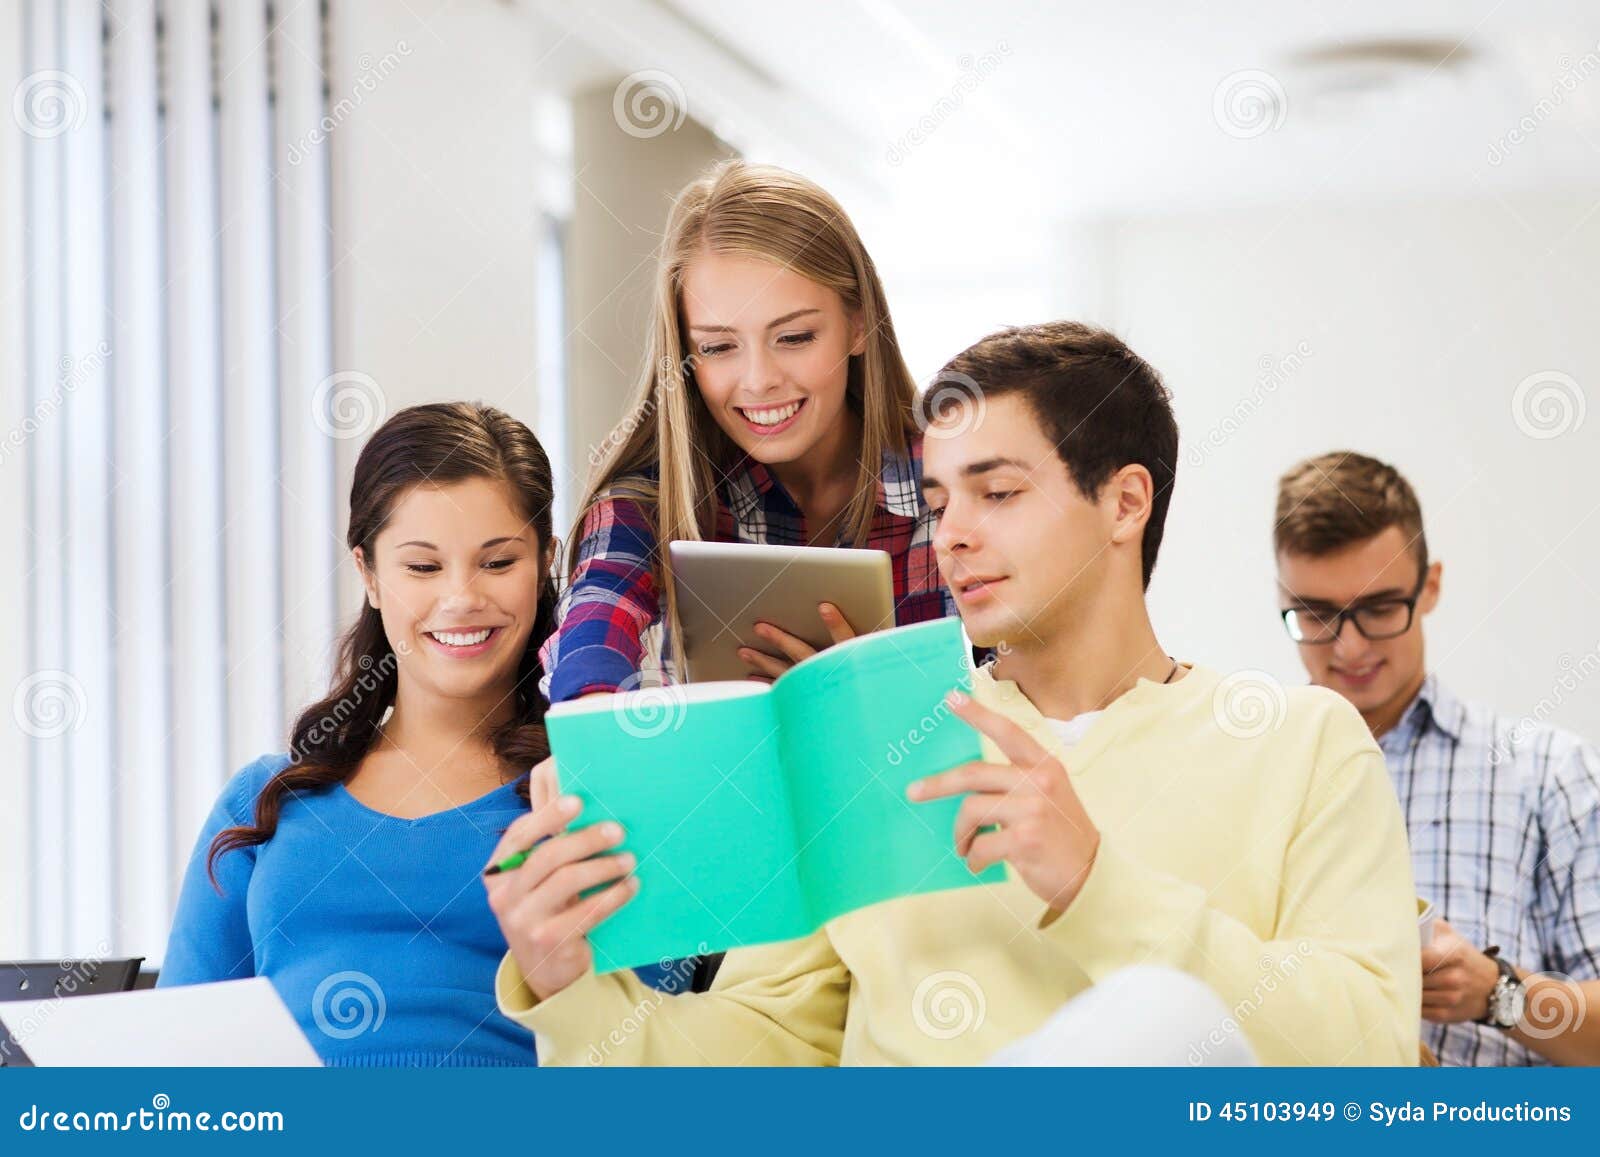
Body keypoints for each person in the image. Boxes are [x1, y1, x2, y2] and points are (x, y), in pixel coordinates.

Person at [483, 323, 1421, 1066]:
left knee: (1162, 1020)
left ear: (1126, 502)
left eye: (998, 493)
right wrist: (572, 988)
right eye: (936, 502)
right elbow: (766, 1053)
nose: (952, 536)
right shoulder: (879, 740)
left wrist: (1095, 884)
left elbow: (1366, 1061)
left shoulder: (1304, 742)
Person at [161, 402, 558, 1067]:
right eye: (423, 567)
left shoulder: (584, 792)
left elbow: (651, 1050)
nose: (460, 597)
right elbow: (170, 1053)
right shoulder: (264, 802)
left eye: (497, 561)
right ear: (369, 574)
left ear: (543, 562)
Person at [542, 159, 955, 705]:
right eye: (718, 347)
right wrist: (592, 725)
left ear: (859, 324)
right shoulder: (647, 502)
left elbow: (1021, 687)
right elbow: (598, 618)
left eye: (795, 337)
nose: (759, 381)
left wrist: (869, 703)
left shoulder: (953, 480)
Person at [1275, 450, 1600, 1065]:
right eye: (1317, 614)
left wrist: (1501, 994)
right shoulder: (1249, 779)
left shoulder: (1550, 774)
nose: (1349, 647)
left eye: (1378, 608)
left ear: (1430, 586)